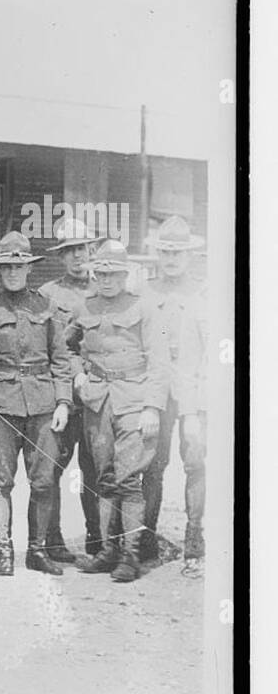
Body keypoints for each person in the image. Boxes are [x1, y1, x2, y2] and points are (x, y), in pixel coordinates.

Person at [63, 239, 170, 583]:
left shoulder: (146, 308)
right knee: (103, 478)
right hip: (97, 402)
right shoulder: (85, 307)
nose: (106, 279)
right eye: (100, 273)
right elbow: (66, 349)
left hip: (134, 401)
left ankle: (131, 554)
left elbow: (159, 361)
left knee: (129, 480)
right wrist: (78, 372)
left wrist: (153, 406)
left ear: (125, 274)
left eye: (113, 273)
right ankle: (108, 551)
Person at [0, 231, 74, 577]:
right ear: (0, 271)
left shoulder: (48, 307)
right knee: (3, 481)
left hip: (43, 405)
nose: (13, 273)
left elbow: (61, 359)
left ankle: (37, 550)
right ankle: (3, 549)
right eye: (6, 267)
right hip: (3, 406)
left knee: (43, 481)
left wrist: (62, 402)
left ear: (29, 269)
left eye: (19, 266)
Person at [140, 217, 208, 574]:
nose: (171, 258)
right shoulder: (145, 292)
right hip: (157, 388)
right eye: (165, 251)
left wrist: (197, 405)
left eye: (177, 252)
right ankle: (145, 538)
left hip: (194, 389)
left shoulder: (204, 292)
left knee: (195, 462)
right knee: (152, 464)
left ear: (189, 254)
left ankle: (194, 542)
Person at [39, 218, 101, 560]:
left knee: (93, 469)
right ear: (61, 257)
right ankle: (53, 540)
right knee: (53, 468)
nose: (78, 257)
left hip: (95, 397)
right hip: (62, 396)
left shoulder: (104, 288)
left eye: (82, 249)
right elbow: (50, 348)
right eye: (70, 251)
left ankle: (97, 538)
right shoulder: (49, 294)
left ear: (91, 250)